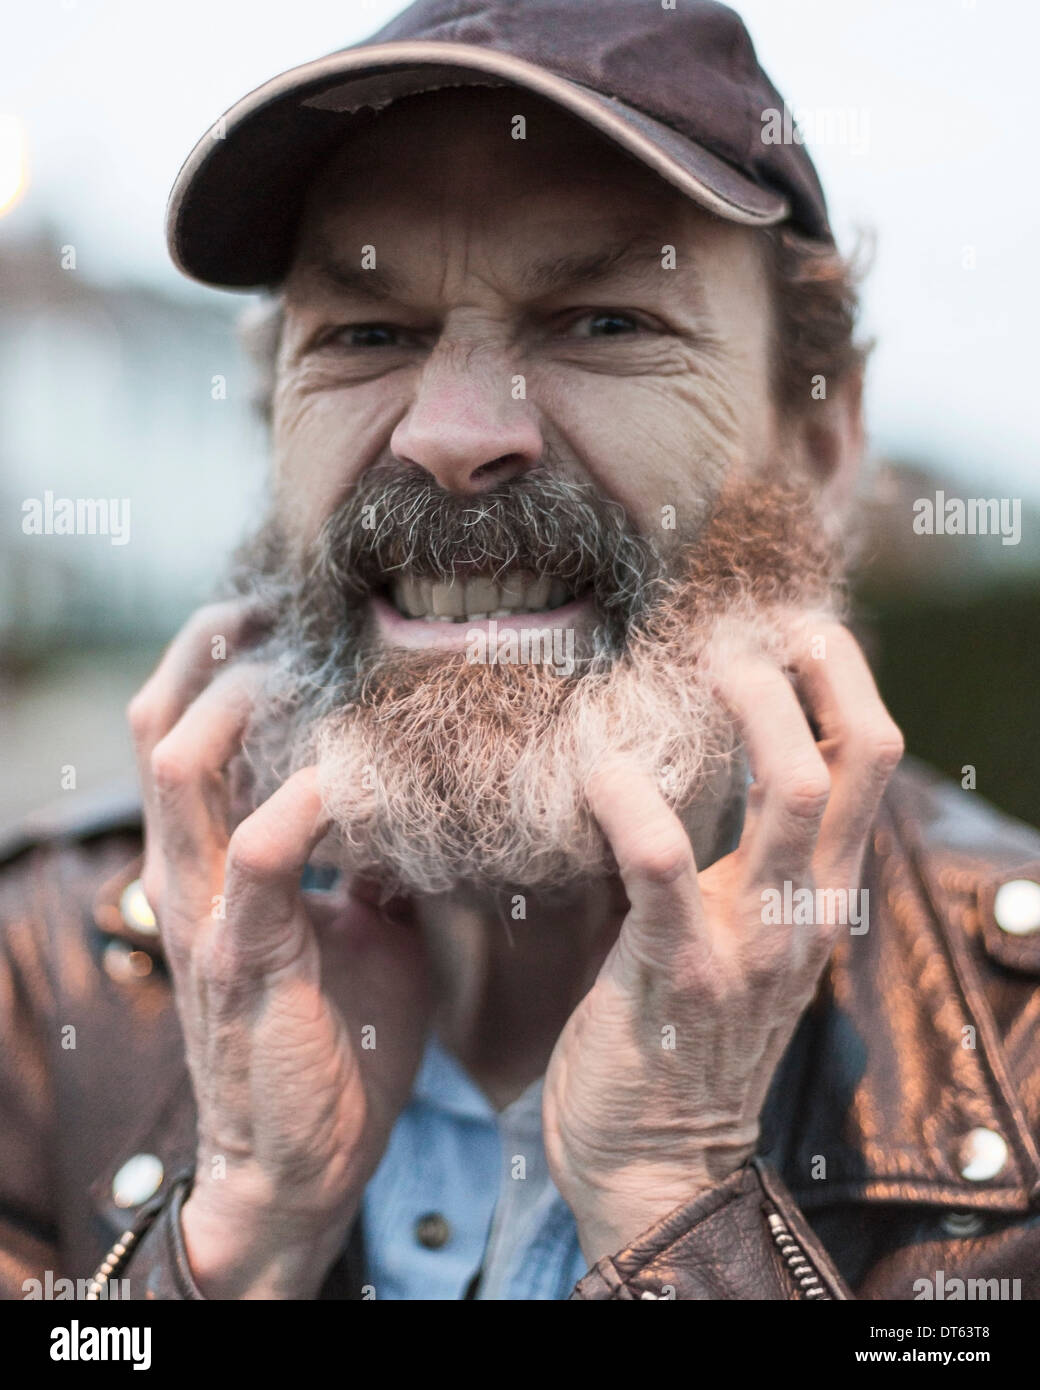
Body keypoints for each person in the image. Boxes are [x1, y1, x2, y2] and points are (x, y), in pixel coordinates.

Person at [4, 0, 1040, 1302]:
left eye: (605, 320)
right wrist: (233, 1242)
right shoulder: (29, 979)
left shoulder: (1024, 1033)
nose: (451, 432)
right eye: (366, 335)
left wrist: (678, 1198)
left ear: (822, 449)